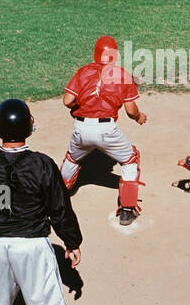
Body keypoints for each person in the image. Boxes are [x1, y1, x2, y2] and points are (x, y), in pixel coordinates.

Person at [0, 99, 83, 305]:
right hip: (31, 245)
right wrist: (72, 241)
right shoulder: (43, 164)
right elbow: (60, 209)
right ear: (29, 126)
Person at [60, 36, 148, 226]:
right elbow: (130, 110)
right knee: (130, 158)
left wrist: (78, 106)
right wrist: (139, 116)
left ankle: (56, 194)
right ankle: (127, 209)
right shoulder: (122, 74)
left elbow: (67, 101)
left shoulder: (83, 71)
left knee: (73, 159)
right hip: (107, 130)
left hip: (81, 129)